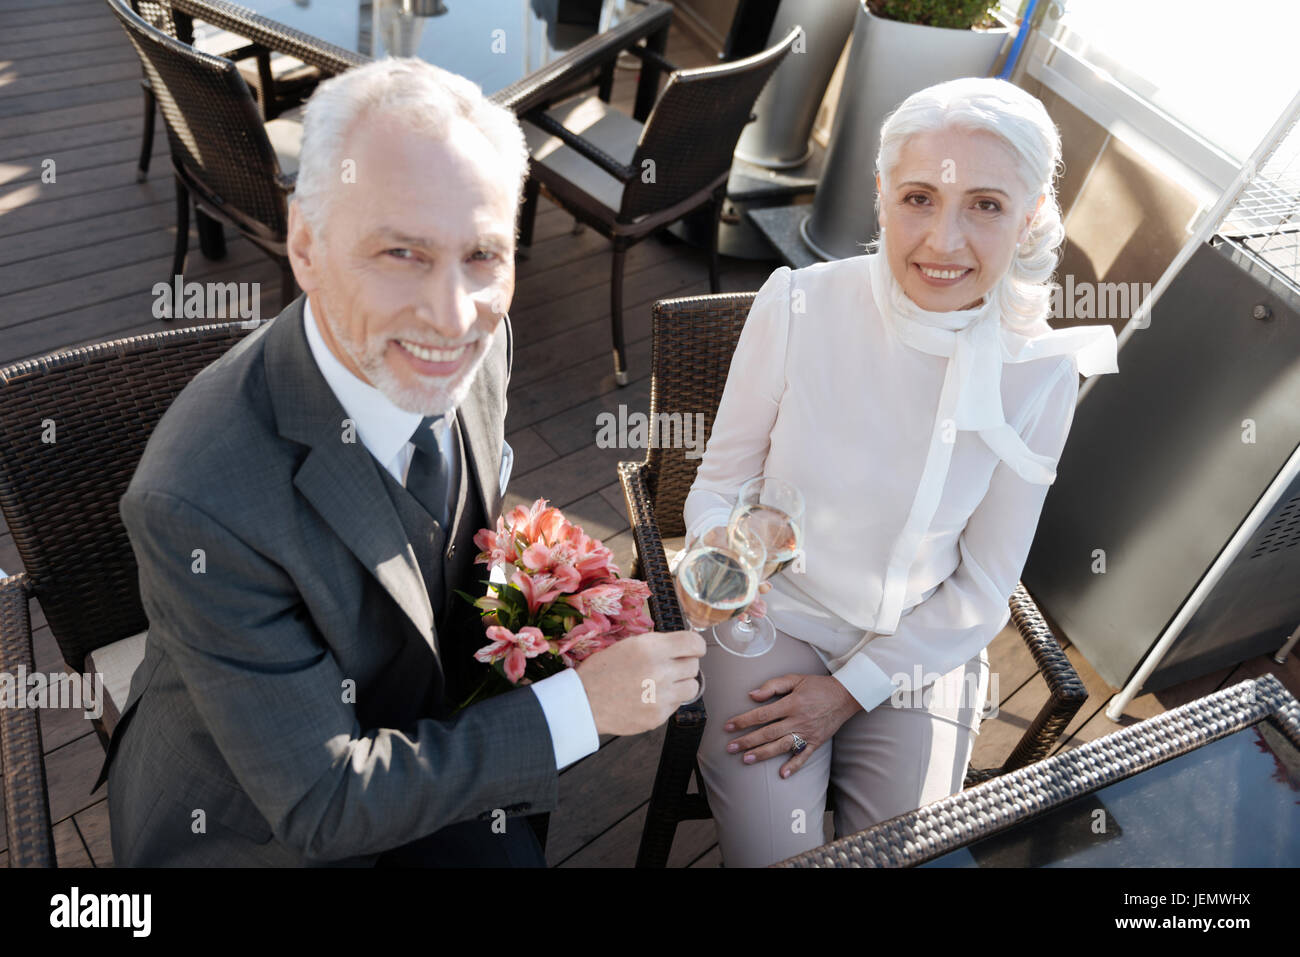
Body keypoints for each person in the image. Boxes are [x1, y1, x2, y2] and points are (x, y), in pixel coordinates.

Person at [99, 56, 705, 867]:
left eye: (483, 255)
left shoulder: (482, 348)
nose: (453, 316)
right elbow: (324, 803)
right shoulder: (199, 497)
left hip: (433, 729)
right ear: (306, 247)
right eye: (401, 254)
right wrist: (578, 710)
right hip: (260, 827)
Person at [683, 77, 1120, 867]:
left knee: (898, 860)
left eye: (985, 205)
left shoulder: (1042, 373)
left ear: (1030, 218)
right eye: (919, 197)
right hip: (775, 623)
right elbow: (718, 484)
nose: (943, 243)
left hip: (921, 647)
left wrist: (852, 690)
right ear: (880, 194)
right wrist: (722, 561)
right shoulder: (797, 302)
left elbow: (986, 584)